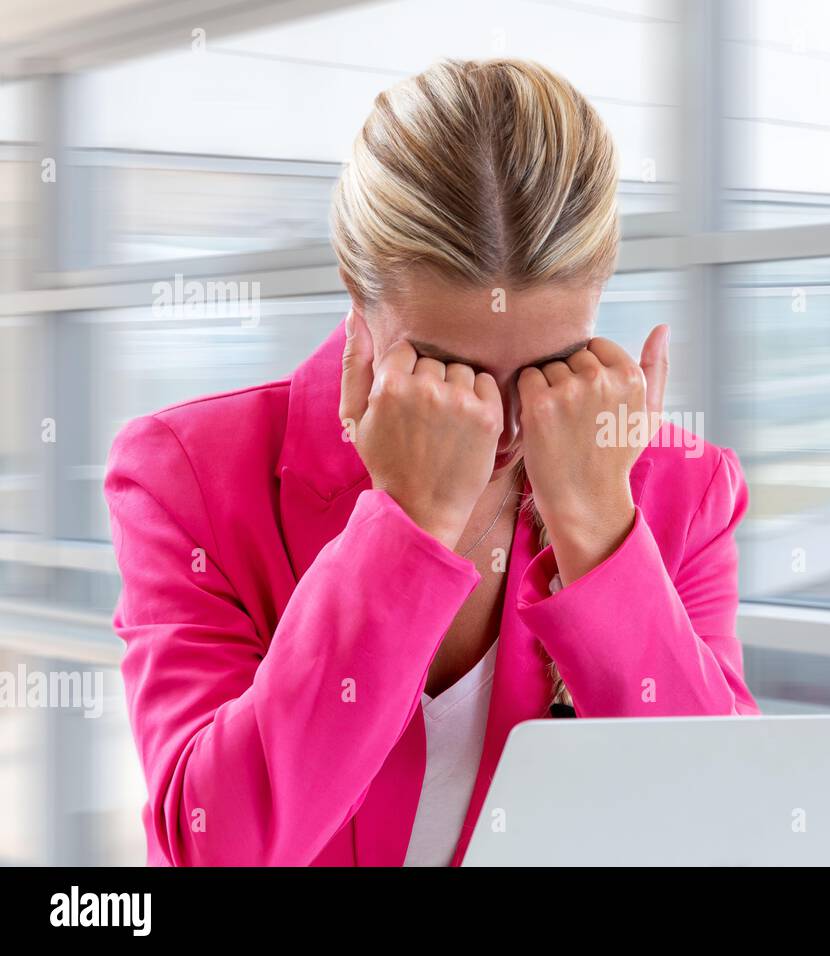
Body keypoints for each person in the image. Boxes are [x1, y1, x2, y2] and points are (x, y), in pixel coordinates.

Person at [104, 58, 758, 867]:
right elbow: (216, 849)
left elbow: (723, 829)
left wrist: (600, 532)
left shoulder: (682, 491)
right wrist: (403, 533)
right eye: (452, 372)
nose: (504, 426)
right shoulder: (188, 476)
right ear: (356, 290)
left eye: (551, 367)